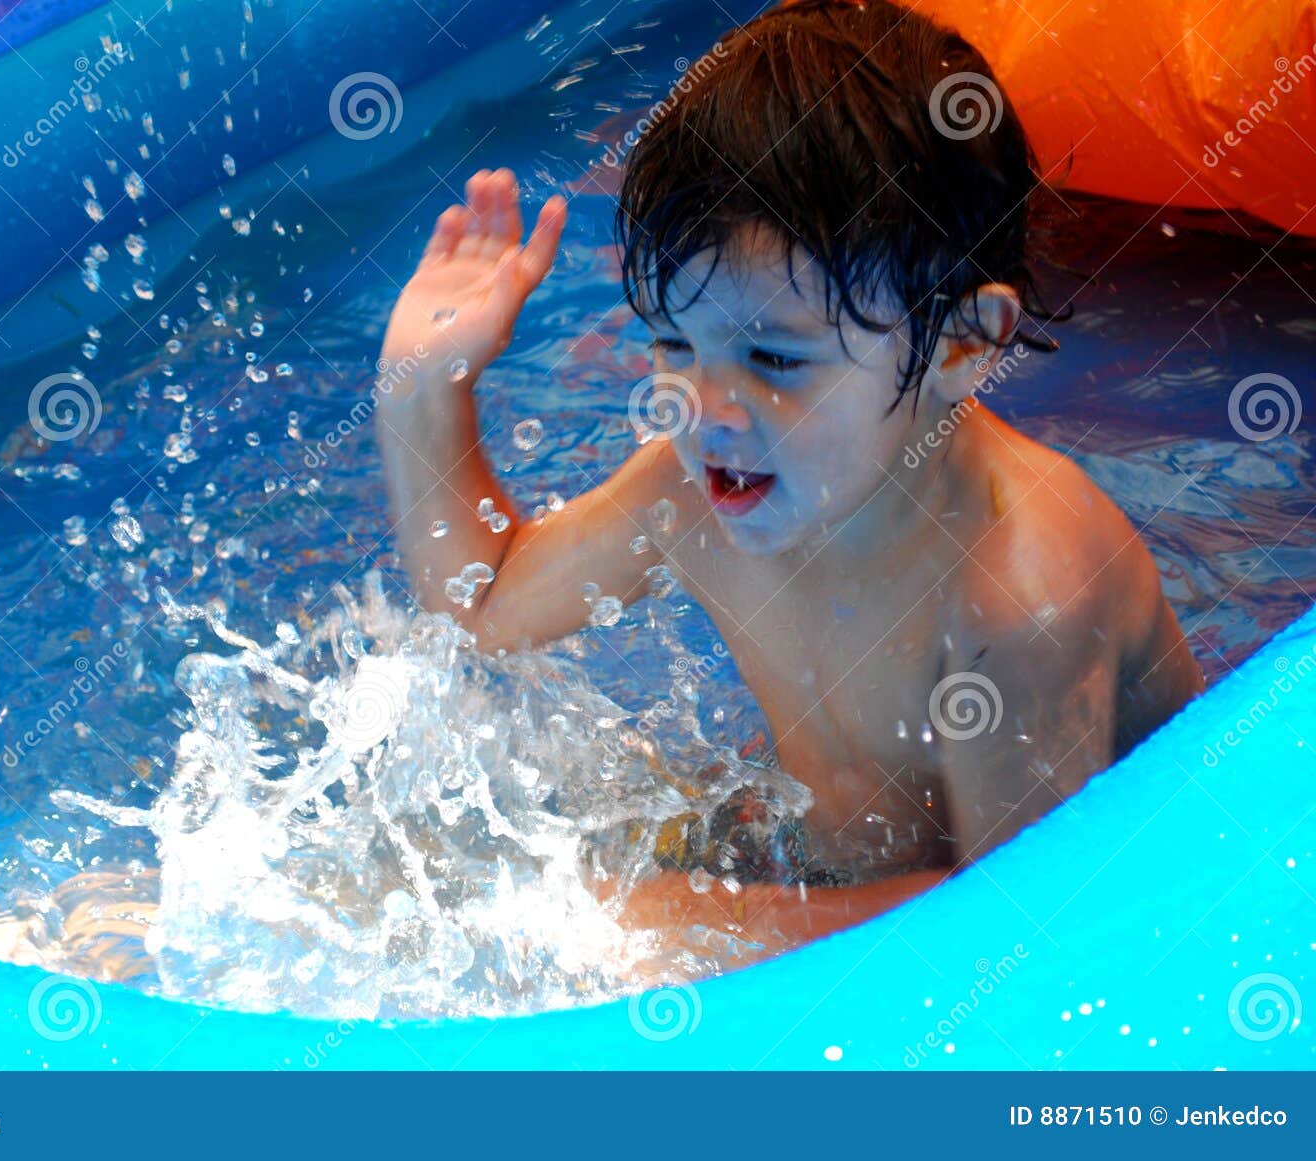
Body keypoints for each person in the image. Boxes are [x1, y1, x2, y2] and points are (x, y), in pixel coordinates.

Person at [374, 0, 1202, 958]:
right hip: (836, 876)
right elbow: (484, 605)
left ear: (965, 347)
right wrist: (420, 390)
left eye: (772, 358)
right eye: (674, 344)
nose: (700, 407)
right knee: (417, 887)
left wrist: (669, 918)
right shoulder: (698, 488)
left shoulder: (1018, 599)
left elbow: (1018, 936)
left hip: (1073, 935)